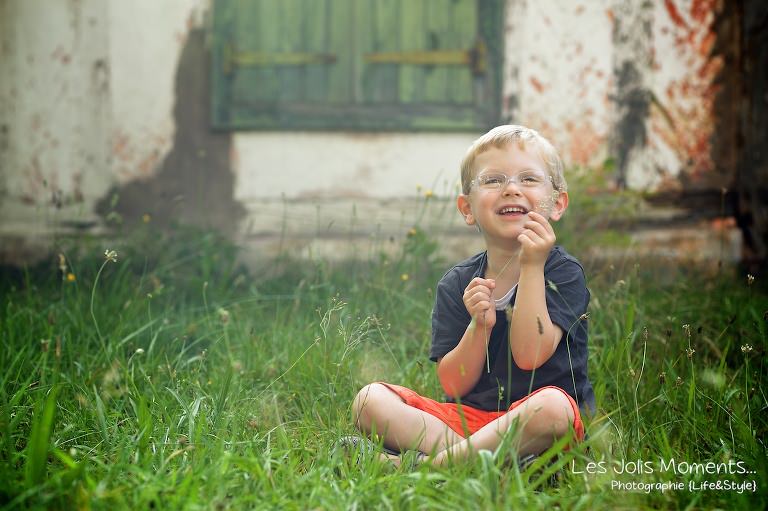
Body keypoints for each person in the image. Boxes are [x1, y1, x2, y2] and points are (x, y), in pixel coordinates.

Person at [350, 125, 595, 467]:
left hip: (537, 423)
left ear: (557, 203)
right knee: (369, 400)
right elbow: (454, 384)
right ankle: (490, 463)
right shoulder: (457, 283)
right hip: (467, 421)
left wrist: (532, 266)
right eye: (493, 180)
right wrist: (478, 326)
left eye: (528, 179)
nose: (511, 189)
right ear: (467, 208)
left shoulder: (563, 272)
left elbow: (530, 355)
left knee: (553, 409)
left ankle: (426, 466)